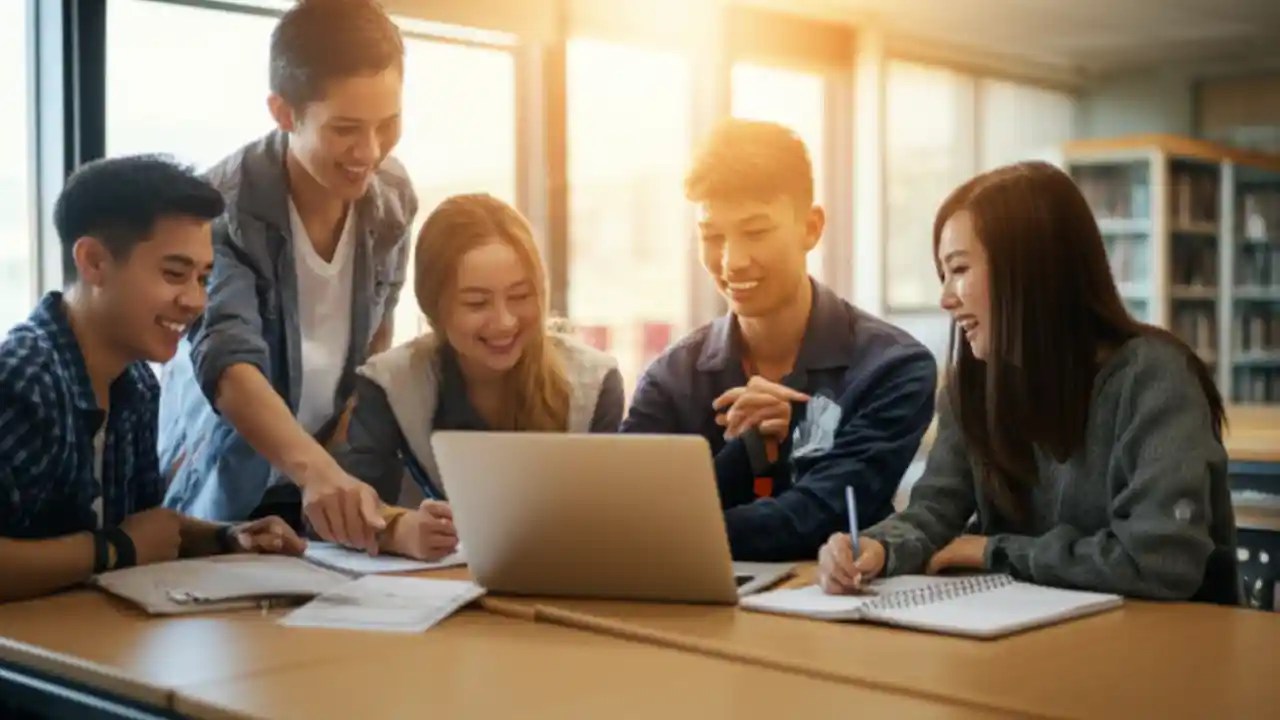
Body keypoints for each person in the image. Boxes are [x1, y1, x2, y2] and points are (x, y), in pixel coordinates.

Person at [817, 161, 1240, 604]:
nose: (945, 298)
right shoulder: (973, 386)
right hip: (1034, 642)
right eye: (943, 275)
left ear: (1031, 269)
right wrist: (877, 547)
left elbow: (1159, 561)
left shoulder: (1156, 378)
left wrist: (993, 551)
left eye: (959, 270)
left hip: (1170, 649)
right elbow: (934, 512)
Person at [159, 0, 417, 555]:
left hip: (329, 482)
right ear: (283, 111)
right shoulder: (222, 208)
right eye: (345, 129)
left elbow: (377, 337)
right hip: (232, 488)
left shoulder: (393, 197)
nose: (369, 153)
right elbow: (228, 363)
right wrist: (315, 471)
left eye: (387, 125)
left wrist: (345, 467)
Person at [622, 119, 937, 562]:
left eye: (755, 232)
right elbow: (623, 514)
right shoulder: (671, 377)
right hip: (691, 610)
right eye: (712, 236)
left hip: (841, 612)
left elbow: (825, 513)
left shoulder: (893, 368)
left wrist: (668, 531)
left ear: (810, 227)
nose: (732, 262)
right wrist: (743, 454)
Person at [0, 156, 306, 604]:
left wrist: (227, 537)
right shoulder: (26, 376)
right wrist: (115, 549)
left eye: (204, 278)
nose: (195, 301)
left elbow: (146, 528)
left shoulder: (138, 384)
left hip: (91, 646)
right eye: (174, 274)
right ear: (94, 262)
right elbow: (126, 542)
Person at [331, 194, 624, 560]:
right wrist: (397, 530)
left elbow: (609, 521)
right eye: (477, 303)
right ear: (433, 307)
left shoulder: (594, 382)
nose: (504, 322)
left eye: (520, 296)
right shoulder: (392, 382)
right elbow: (334, 510)